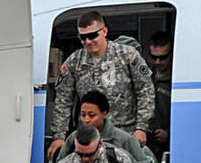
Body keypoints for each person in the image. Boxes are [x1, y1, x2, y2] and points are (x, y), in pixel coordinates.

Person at [48, 10, 155, 149]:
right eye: (83, 37)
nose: (88, 41)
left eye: (92, 36)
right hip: (90, 137)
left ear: (104, 31)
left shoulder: (127, 55)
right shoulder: (75, 61)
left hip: (124, 134)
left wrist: (141, 128)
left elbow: (146, 91)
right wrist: (59, 137)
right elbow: (63, 100)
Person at [147, 32, 172, 156]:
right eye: (153, 57)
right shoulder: (146, 76)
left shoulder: (177, 78)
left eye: (162, 57)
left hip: (170, 146)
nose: (157, 62)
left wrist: (169, 134)